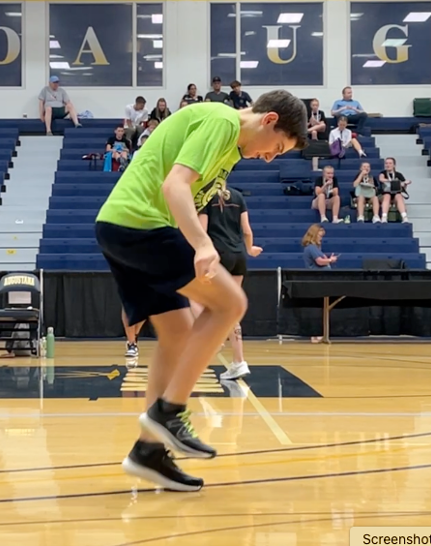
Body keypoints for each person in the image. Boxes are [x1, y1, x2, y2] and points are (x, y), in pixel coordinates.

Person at [95, 91, 307, 491]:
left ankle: (149, 452)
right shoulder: (222, 122)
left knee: (177, 333)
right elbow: (175, 187)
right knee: (231, 304)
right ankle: (169, 411)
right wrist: (202, 244)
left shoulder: (230, 151)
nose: (270, 158)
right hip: (139, 224)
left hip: (120, 226)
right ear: (269, 119)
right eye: (277, 147)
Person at [193, 187, 262, 380]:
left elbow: (202, 232)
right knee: (230, 307)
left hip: (218, 255)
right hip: (238, 255)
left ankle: (213, 338)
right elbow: (247, 231)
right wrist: (250, 249)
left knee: (195, 299)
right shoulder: (238, 196)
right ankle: (238, 361)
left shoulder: (204, 197)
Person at [378, 157, 410, 223]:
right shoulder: (383, 173)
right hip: (384, 194)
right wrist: (393, 181)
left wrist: (405, 184)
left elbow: (403, 187)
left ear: (394, 165)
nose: (388, 165)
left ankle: (404, 217)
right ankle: (384, 217)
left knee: (399, 196)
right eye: (386, 163)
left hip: (395, 194)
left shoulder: (398, 174)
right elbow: (381, 179)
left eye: (390, 163)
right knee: (387, 196)